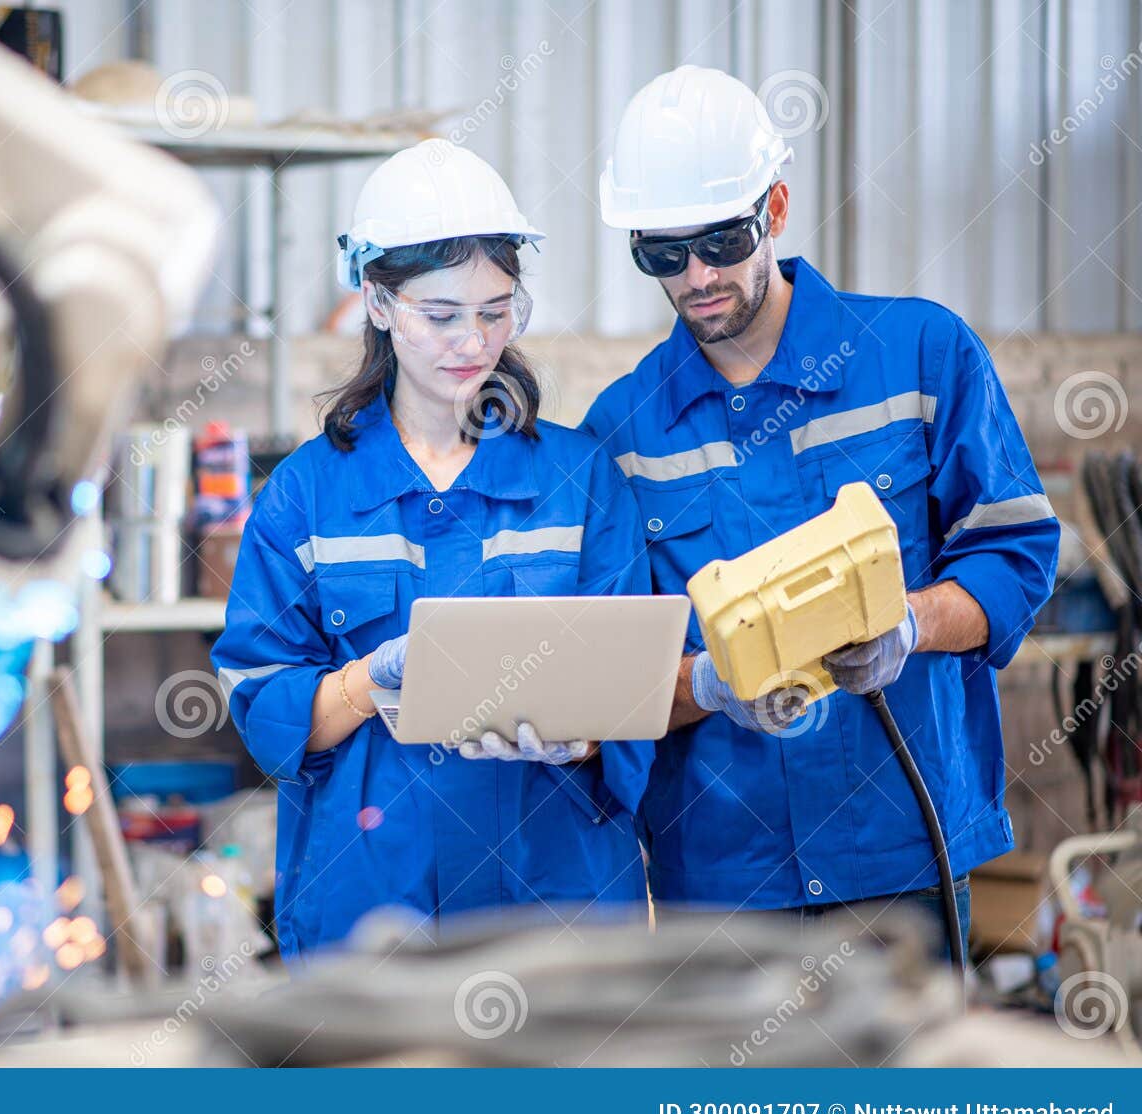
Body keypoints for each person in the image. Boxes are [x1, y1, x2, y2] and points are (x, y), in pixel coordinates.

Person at [581, 67, 1058, 953]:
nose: (695, 277)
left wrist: (910, 626)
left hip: (901, 851)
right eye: (661, 254)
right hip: (723, 880)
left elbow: (1016, 555)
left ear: (777, 206)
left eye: (721, 240)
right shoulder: (621, 432)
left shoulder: (920, 355)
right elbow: (611, 672)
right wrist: (708, 686)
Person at [212, 140, 651, 961]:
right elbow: (262, 703)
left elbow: (636, 684)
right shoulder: (307, 496)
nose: (472, 342)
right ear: (378, 305)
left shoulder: (579, 477)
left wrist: (583, 735)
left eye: (495, 311)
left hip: (556, 903)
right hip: (373, 902)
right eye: (440, 316)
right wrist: (365, 682)